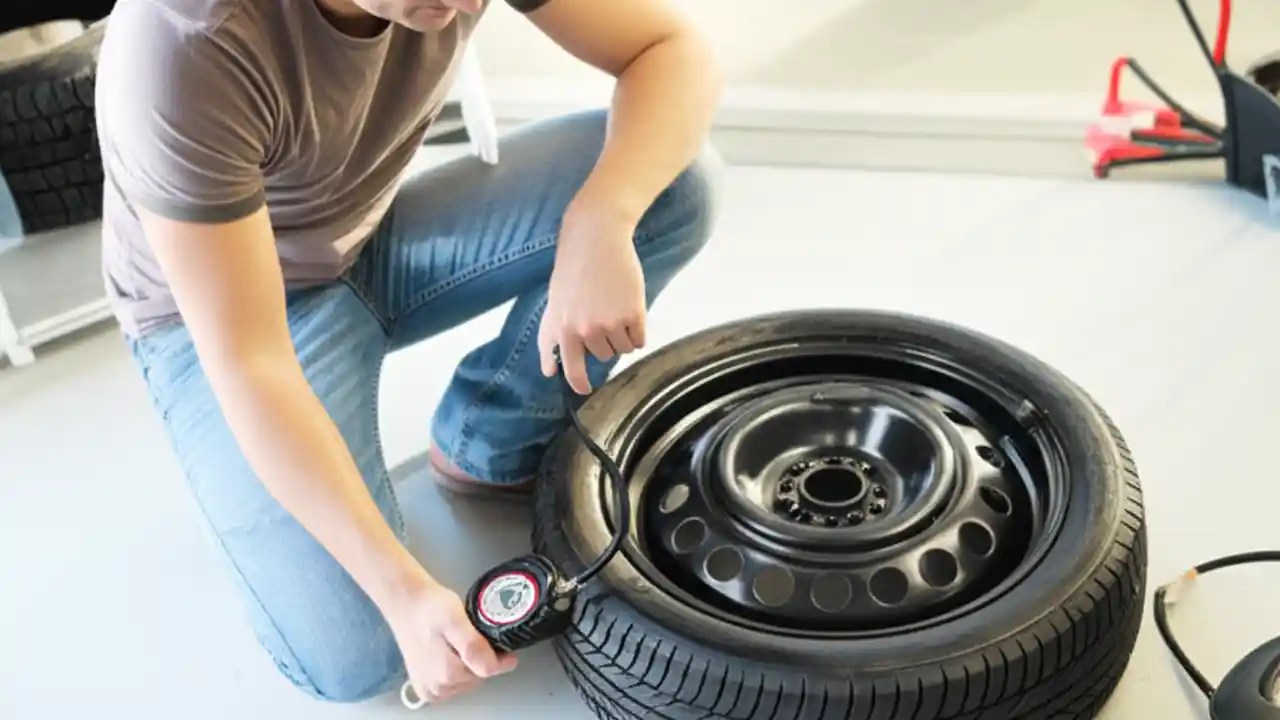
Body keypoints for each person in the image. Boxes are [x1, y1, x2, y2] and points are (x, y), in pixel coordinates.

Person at [94, 0, 722, 706]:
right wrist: (402, 592)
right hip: (218, 319)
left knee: (673, 186)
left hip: (363, 237)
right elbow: (251, 361)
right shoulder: (185, 44)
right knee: (357, 655)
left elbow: (671, 47)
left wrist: (601, 219)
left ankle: (486, 441)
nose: (458, 5)